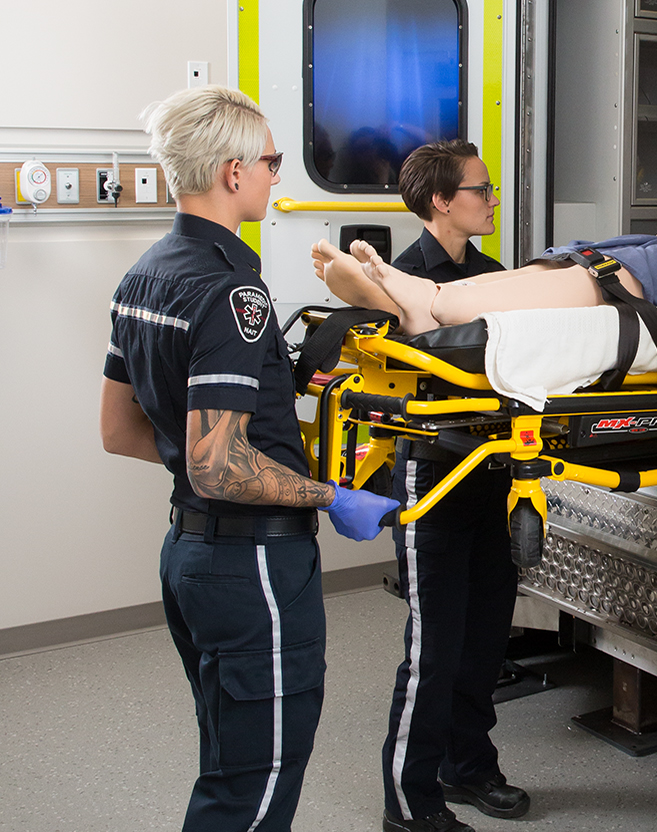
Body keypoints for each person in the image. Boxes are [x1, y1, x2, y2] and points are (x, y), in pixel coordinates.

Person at [98, 85, 399, 832]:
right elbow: (219, 465)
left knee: (229, 756)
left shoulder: (144, 277)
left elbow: (121, 430)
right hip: (252, 569)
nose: (276, 177)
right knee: (254, 788)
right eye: (272, 162)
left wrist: (266, 398)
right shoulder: (234, 293)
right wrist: (330, 497)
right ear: (233, 173)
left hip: (189, 556)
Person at [316, 139, 530, 832]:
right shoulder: (399, 284)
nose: (492, 199)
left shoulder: (493, 278)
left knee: (485, 641)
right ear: (443, 201)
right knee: (433, 650)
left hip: (492, 477)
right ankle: (409, 802)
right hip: (430, 480)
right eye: (482, 188)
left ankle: (469, 768)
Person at [315, 99, 657, 337]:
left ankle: (426, 303)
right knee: (583, 256)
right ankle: (417, 293)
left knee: (602, 279)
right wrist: (648, 246)